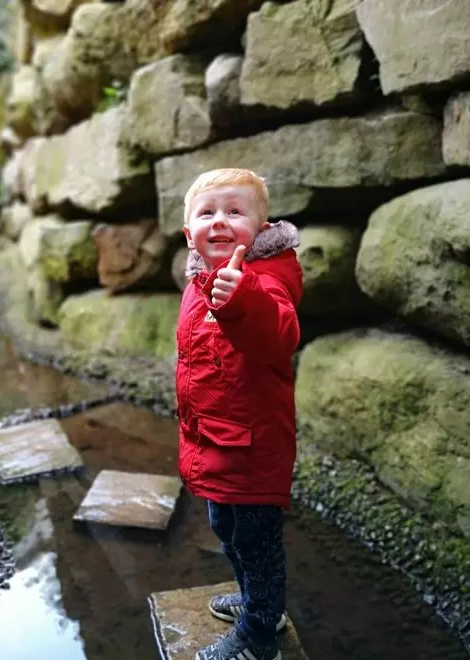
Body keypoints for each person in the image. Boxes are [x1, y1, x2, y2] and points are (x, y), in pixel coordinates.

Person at [176, 169, 303, 660]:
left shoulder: (266, 280)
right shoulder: (199, 279)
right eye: (207, 213)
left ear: (262, 225)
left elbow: (279, 334)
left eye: (235, 211)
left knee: (256, 542)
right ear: (190, 233)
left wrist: (241, 297)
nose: (220, 221)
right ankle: (255, 600)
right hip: (214, 441)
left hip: (253, 447)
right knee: (226, 529)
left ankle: (258, 634)